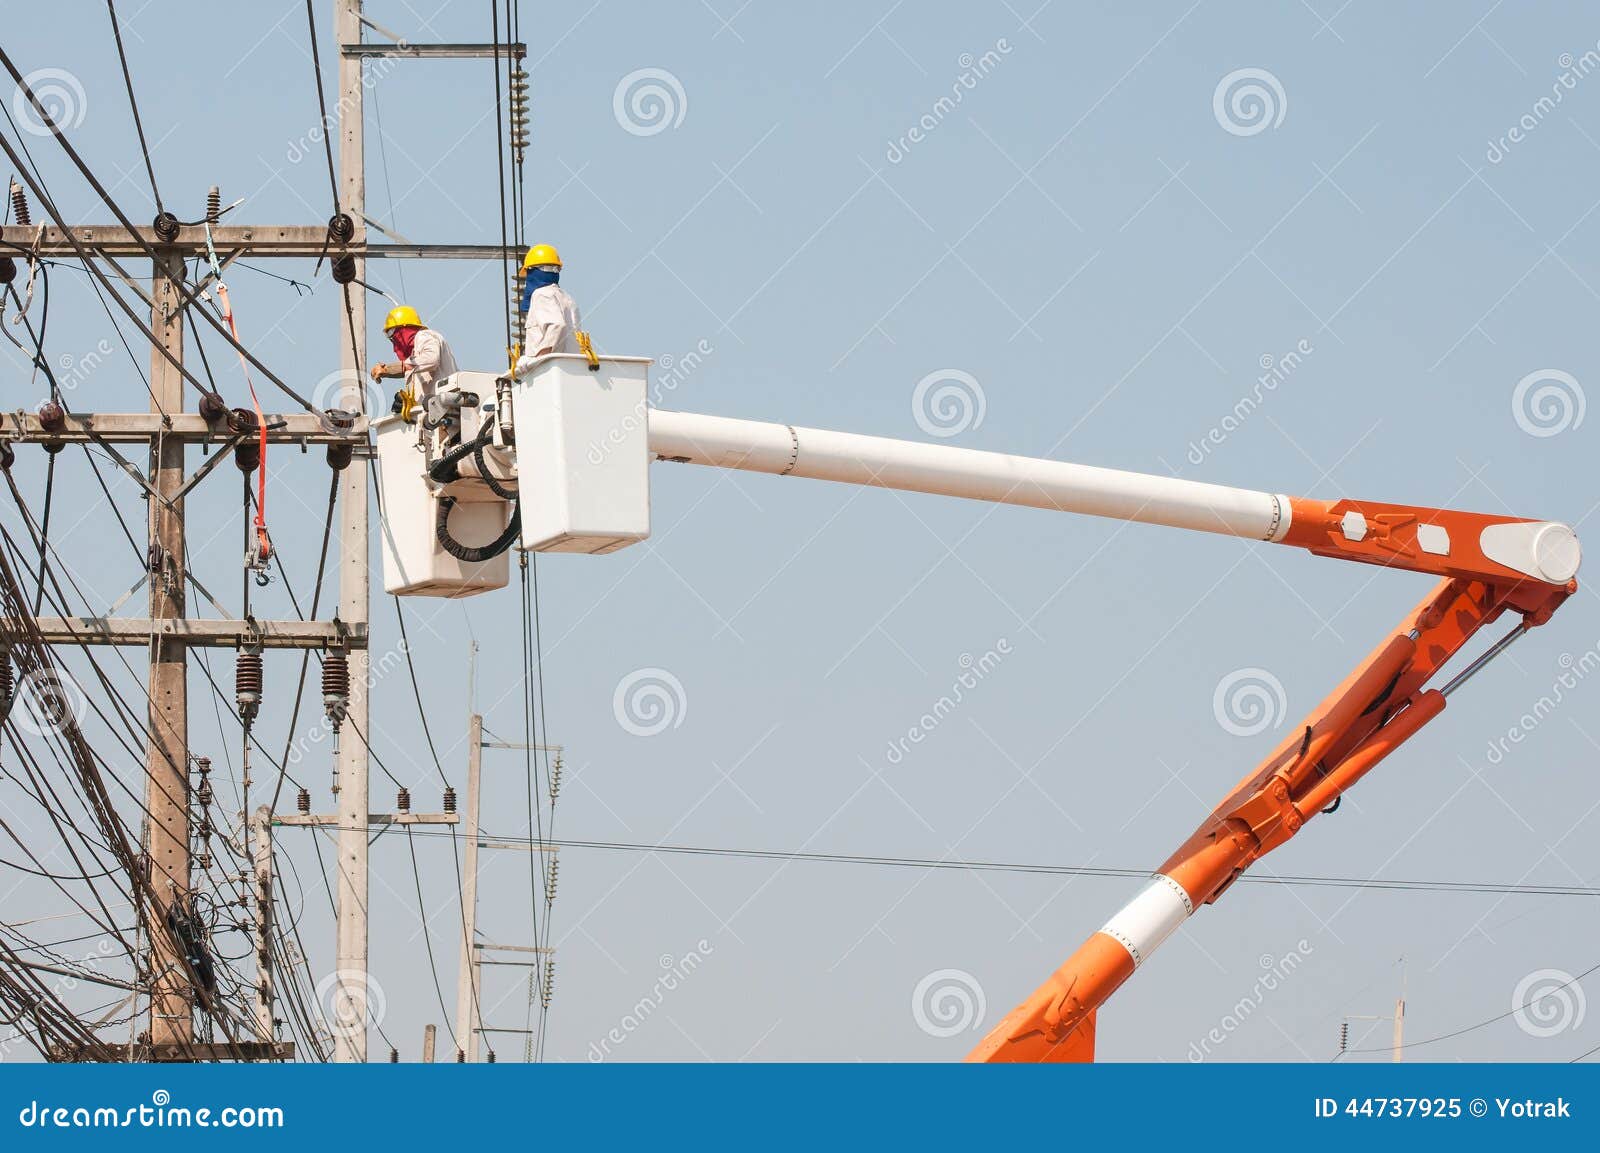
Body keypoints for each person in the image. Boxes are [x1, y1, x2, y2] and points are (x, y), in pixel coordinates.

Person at [372, 305, 459, 412]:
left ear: (405, 328)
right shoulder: (415, 367)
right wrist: (406, 406)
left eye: (392, 333)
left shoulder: (424, 336)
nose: (395, 343)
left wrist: (390, 369)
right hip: (434, 417)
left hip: (450, 412)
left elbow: (431, 359)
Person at [514, 243, 581, 377]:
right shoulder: (567, 298)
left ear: (533, 271)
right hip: (572, 371)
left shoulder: (541, 294)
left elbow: (557, 326)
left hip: (549, 374)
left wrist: (535, 361)